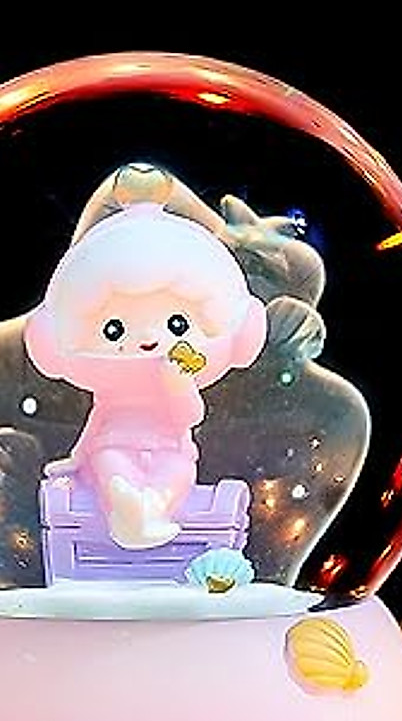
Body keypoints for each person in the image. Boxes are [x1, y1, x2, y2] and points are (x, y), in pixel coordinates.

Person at [24, 199, 267, 550]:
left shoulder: (179, 379)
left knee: (178, 475)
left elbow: (190, 416)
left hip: (172, 449)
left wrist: (178, 384)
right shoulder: (110, 394)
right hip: (114, 443)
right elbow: (96, 422)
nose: (149, 337)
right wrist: (77, 459)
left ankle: (148, 510)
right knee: (110, 467)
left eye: (177, 324)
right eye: (113, 330)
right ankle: (125, 506)